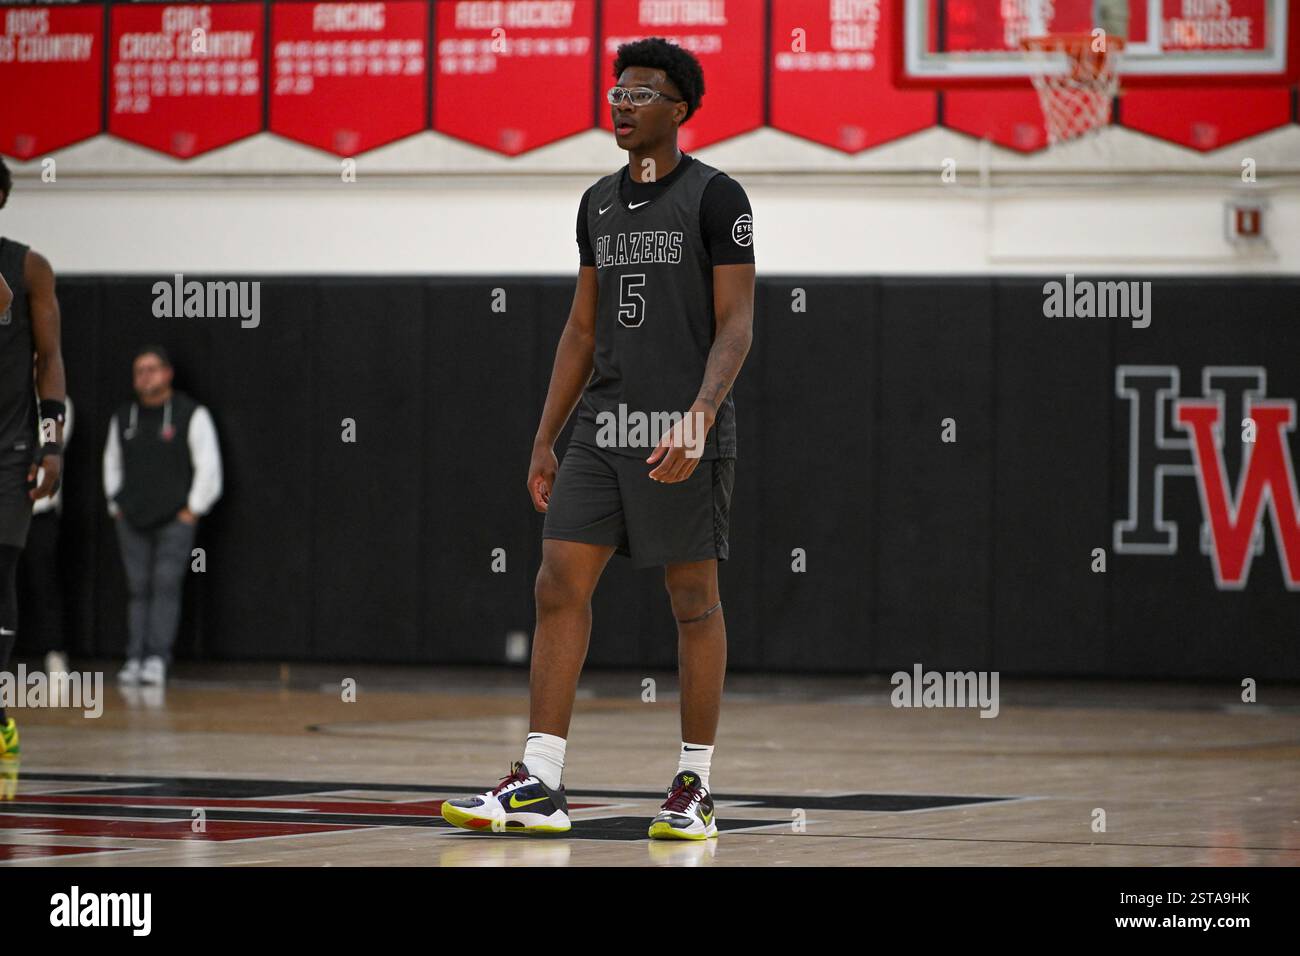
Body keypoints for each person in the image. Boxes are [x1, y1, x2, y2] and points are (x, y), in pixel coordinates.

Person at [441, 37, 756, 840]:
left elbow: (737, 325)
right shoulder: (598, 203)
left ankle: (695, 786)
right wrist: (547, 436)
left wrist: (701, 413)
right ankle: (540, 782)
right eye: (616, 91)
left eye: (641, 93)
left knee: (693, 603)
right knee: (556, 584)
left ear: (679, 109)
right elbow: (581, 330)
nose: (621, 103)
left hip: (677, 430)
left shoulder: (720, 199)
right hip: (601, 428)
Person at [0, 156, 68, 758]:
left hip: (11, 444)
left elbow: (49, 361)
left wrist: (52, 443)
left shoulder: (27, 268)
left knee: (1, 569)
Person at [103, 346, 222, 686]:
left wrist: (192, 509)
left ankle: (157, 657)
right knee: (137, 587)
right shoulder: (124, 416)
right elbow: (112, 463)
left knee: (165, 585)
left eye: (152, 369)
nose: (145, 377)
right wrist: (117, 505)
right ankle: (134, 656)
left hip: (174, 519)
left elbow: (209, 465)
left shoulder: (190, 413)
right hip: (132, 519)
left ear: (168, 373)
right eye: (139, 370)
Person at [18, 387, 73, 678]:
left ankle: (54, 654)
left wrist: (39, 455)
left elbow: (52, 442)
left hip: (38, 511)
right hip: (5, 510)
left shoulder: (51, 404)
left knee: (44, 584)